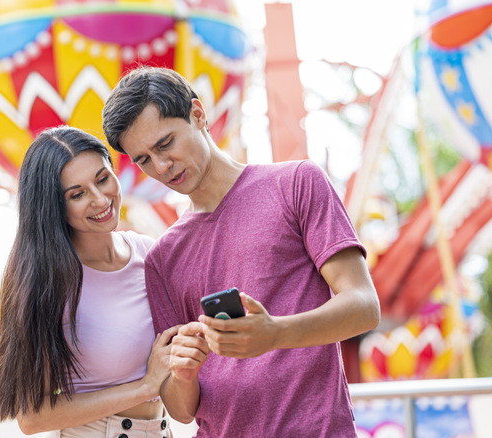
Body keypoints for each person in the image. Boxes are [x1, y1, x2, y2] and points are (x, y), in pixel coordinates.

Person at [102, 67, 381, 437]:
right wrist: (184, 373)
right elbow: (182, 411)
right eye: (144, 159)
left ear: (198, 115)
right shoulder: (162, 258)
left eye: (165, 143)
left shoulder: (296, 184)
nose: (161, 166)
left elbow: (364, 306)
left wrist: (276, 334)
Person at [0, 126, 179, 437]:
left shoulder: (148, 252)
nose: (100, 199)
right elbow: (31, 418)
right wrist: (144, 387)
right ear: (54, 207)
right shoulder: (49, 282)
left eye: (102, 178)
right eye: (77, 194)